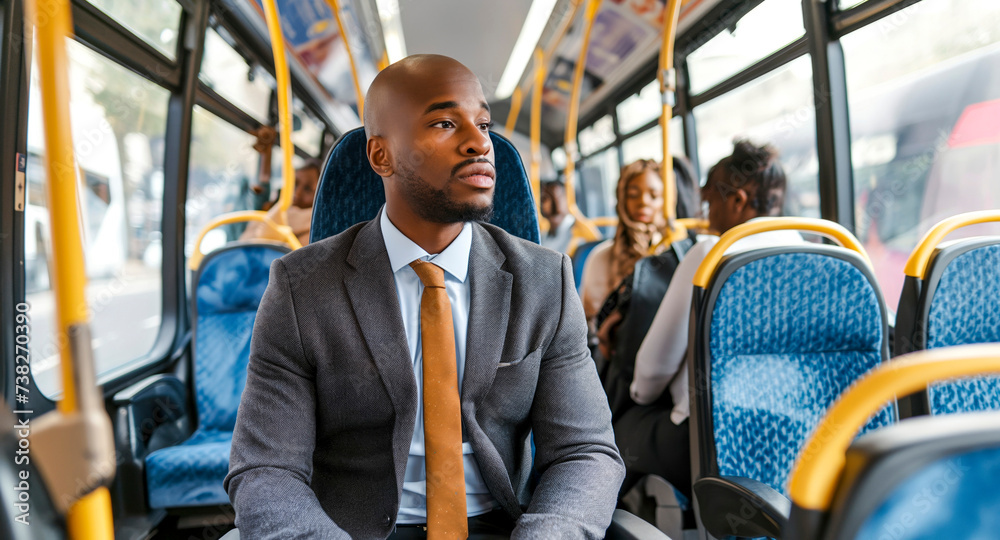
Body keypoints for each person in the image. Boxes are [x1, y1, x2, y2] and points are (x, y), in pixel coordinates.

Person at [225, 54, 624, 539]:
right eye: (443, 123)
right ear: (381, 156)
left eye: (482, 124)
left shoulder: (545, 280)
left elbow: (585, 452)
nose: (481, 143)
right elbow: (266, 471)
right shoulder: (302, 289)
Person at [617, 140, 801, 498]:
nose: (706, 212)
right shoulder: (823, 253)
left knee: (617, 434)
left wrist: (640, 395)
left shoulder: (709, 253)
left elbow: (651, 371)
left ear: (737, 201)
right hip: (796, 438)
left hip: (711, 442)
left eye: (711, 201)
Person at [579, 159, 667, 329]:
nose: (644, 202)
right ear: (621, 200)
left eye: (654, 196)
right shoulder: (600, 257)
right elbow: (589, 319)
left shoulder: (671, 252)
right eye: (633, 195)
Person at [239, 157, 321, 246]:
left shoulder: (315, 232)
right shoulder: (273, 210)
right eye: (295, 184)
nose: (297, 194)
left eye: (307, 189)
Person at [538, 179, 576, 254]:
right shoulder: (542, 235)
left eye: (555, 195)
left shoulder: (578, 233)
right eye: (544, 198)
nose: (546, 203)